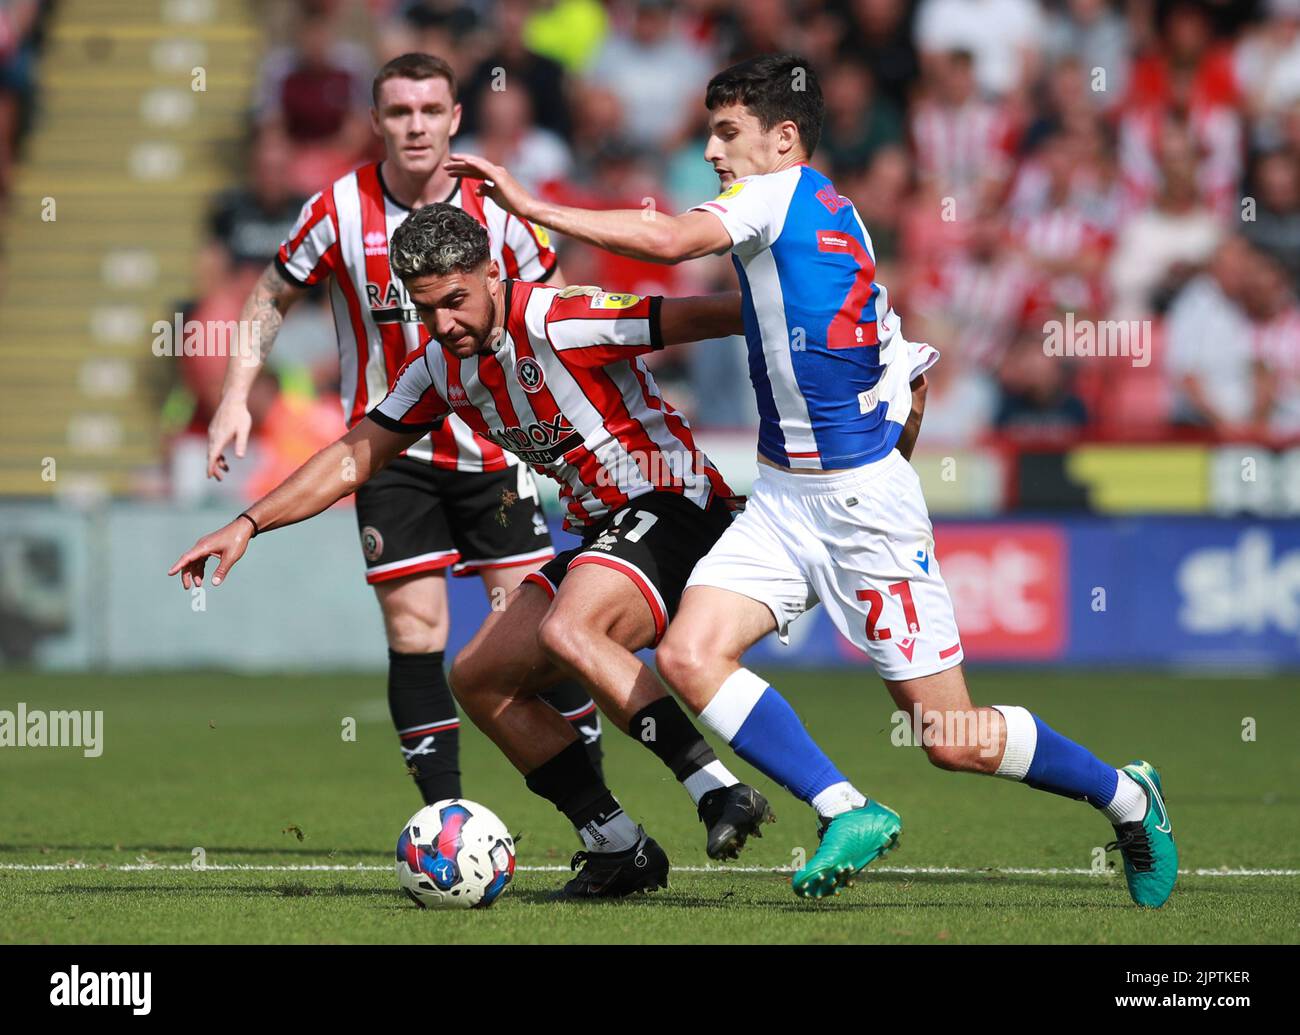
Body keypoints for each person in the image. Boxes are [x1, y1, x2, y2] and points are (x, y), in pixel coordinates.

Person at [444, 53, 1178, 907]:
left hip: (861, 509)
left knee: (947, 734)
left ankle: (1128, 795)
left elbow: (672, 241)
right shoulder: (834, 219)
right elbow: (910, 367)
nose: (713, 153)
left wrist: (532, 206)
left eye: (727, 133)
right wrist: (887, 436)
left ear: (782, 138)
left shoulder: (779, 193)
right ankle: (846, 806)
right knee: (687, 651)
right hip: (786, 498)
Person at [172, 202, 774, 899]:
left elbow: (702, 314)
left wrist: (820, 319)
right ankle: (618, 845)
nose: (445, 324)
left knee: (569, 628)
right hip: (602, 530)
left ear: (491, 272)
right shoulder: (437, 367)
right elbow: (349, 459)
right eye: (428, 310)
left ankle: (717, 789)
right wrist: (247, 522)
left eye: (456, 301)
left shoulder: (560, 318)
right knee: (480, 676)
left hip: (676, 507)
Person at [205, 52, 603, 810]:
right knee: (415, 628)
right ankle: (444, 820)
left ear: (455, 117)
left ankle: (598, 818)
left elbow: (555, 312)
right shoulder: (336, 209)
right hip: (388, 453)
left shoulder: (500, 205)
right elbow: (269, 295)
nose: (415, 126)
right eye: (398, 112)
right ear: (377, 121)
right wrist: (234, 396)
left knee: (539, 642)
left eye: (429, 111)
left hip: (498, 448)